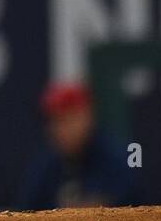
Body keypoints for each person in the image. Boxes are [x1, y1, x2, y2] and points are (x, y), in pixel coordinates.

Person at [15, 82, 141, 211]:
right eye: (56, 121)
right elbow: (26, 214)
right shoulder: (45, 167)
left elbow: (136, 210)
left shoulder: (117, 159)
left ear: (88, 116)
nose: (62, 129)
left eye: (69, 119)